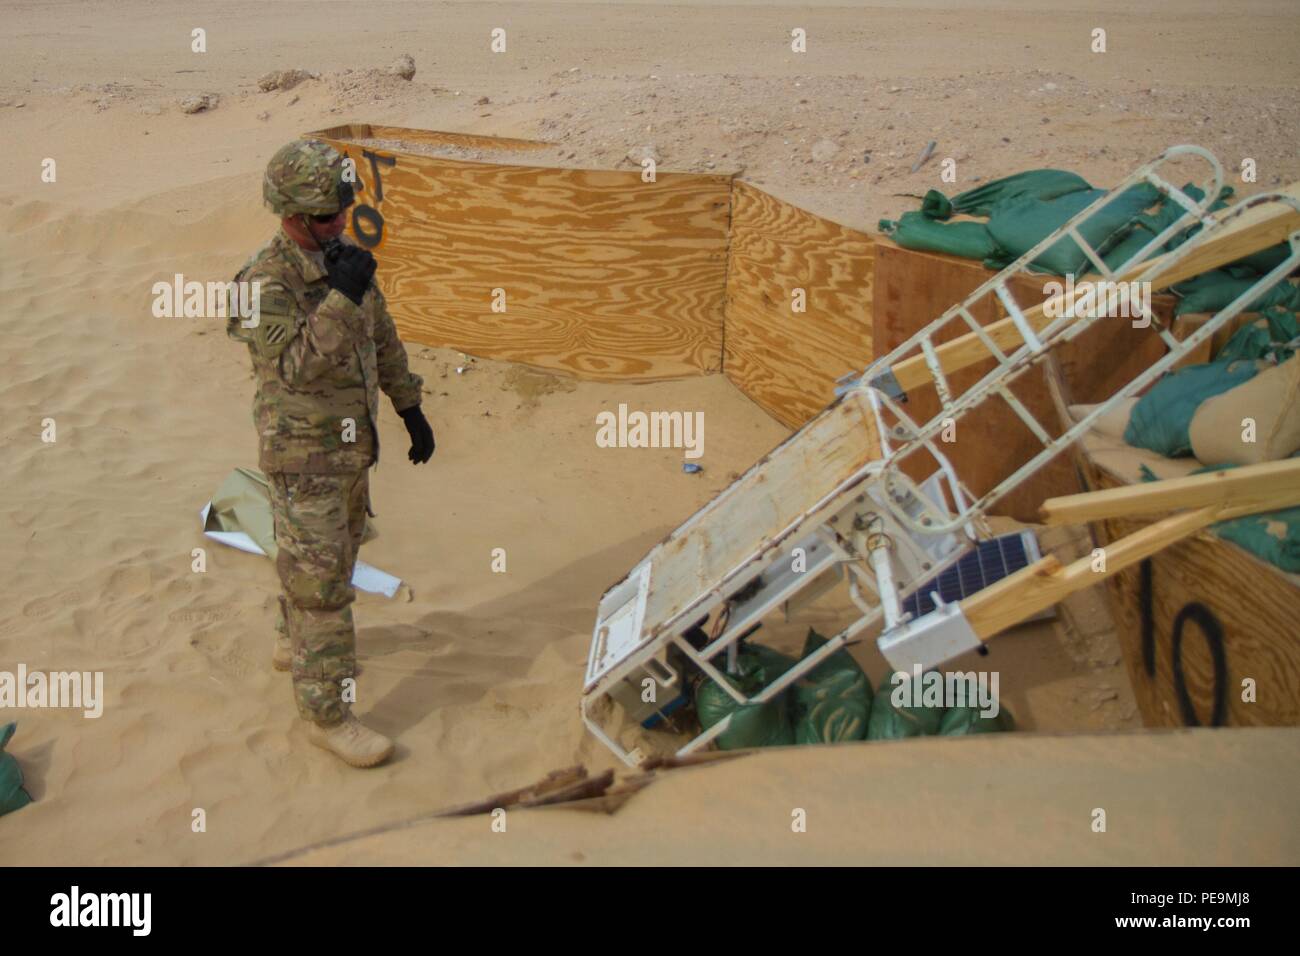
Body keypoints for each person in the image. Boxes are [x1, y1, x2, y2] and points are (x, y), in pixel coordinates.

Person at [227, 140, 435, 767]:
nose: (338, 223)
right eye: (324, 216)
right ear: (288, 213)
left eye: (342, 210)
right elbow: (295, 367)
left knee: (330, 557)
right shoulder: (263, 282)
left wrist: (409, 405)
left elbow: (382, 335)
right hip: (303, 457)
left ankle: (293, 641)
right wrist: (340, 299)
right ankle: (327, 716)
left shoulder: (343, 257)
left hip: (351, 451)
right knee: (323, 587)